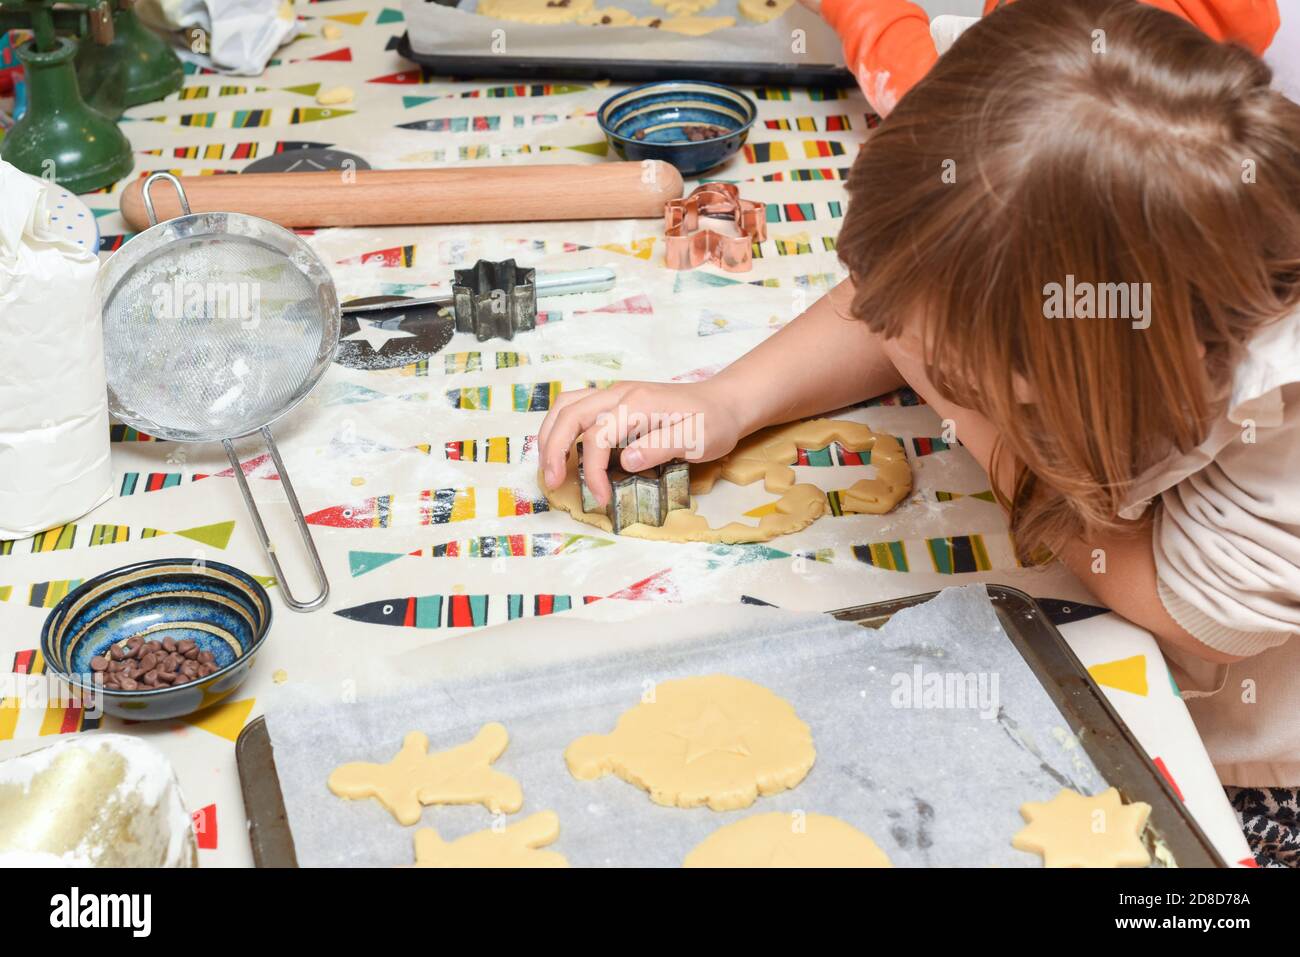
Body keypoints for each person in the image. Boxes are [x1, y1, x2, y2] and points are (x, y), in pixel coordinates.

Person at [538, 0, 1300, 865]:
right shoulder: (1028, 135)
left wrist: (959, 403)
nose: (916, 349)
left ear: (1083, 369)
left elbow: (1173, 603)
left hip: (1239, 745)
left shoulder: (1279, 422)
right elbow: (900, 301)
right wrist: (727, 401)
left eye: (960, 364)